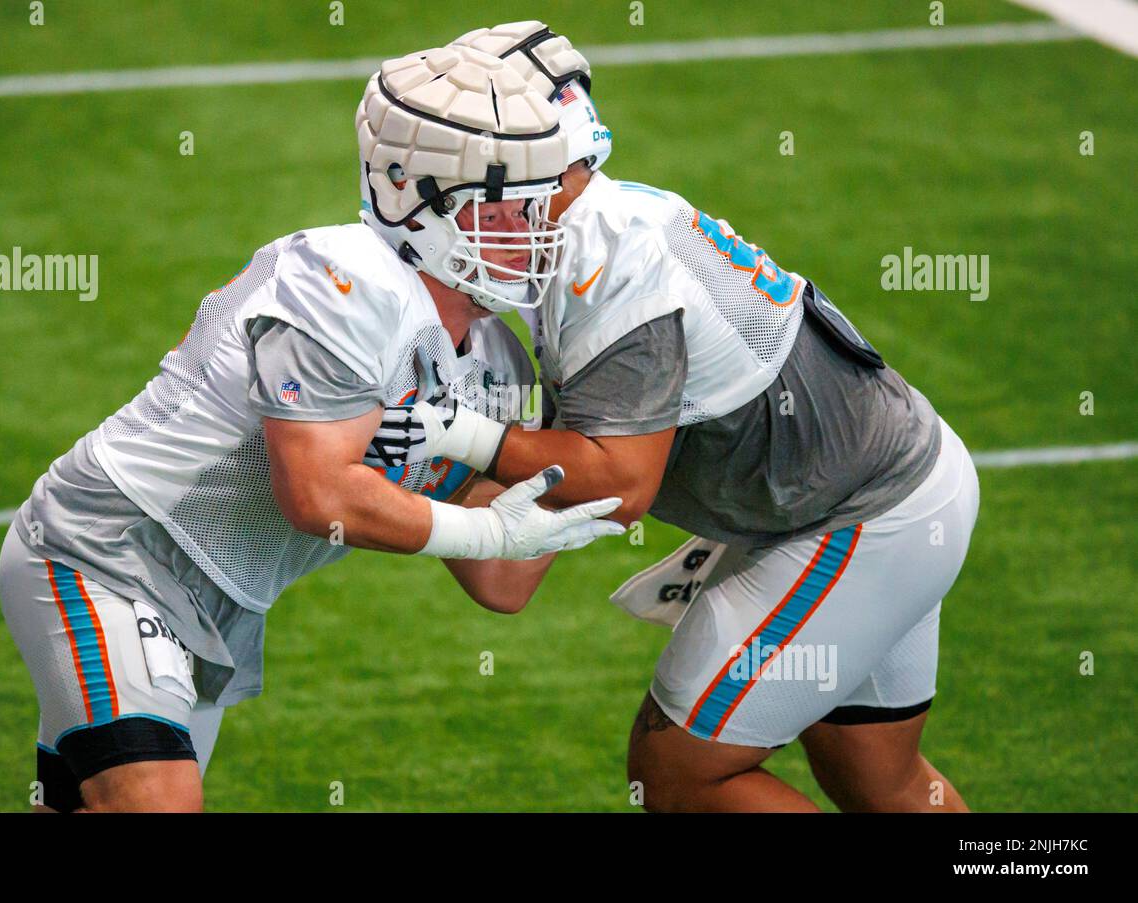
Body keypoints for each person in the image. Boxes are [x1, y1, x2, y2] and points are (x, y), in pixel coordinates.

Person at [365, 22, 980, 813]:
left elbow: (618, 487)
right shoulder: (597, 231)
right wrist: (426, 473)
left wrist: (456, 433)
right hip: (884, 488)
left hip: (860, 521)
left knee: (681, 774)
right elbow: (508, 575)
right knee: (885, 780)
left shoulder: (606, 266)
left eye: (451, 177)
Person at [0, 44, 624, 812]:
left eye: (534, 208)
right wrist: (488, 532)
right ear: (419, 203)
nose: (533, 232)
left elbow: (504, 582)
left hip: (219, 602)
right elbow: (318, 494)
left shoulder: (497, 364)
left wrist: (619, 436)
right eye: (503, 210)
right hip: (109, 554)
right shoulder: (347, 281)